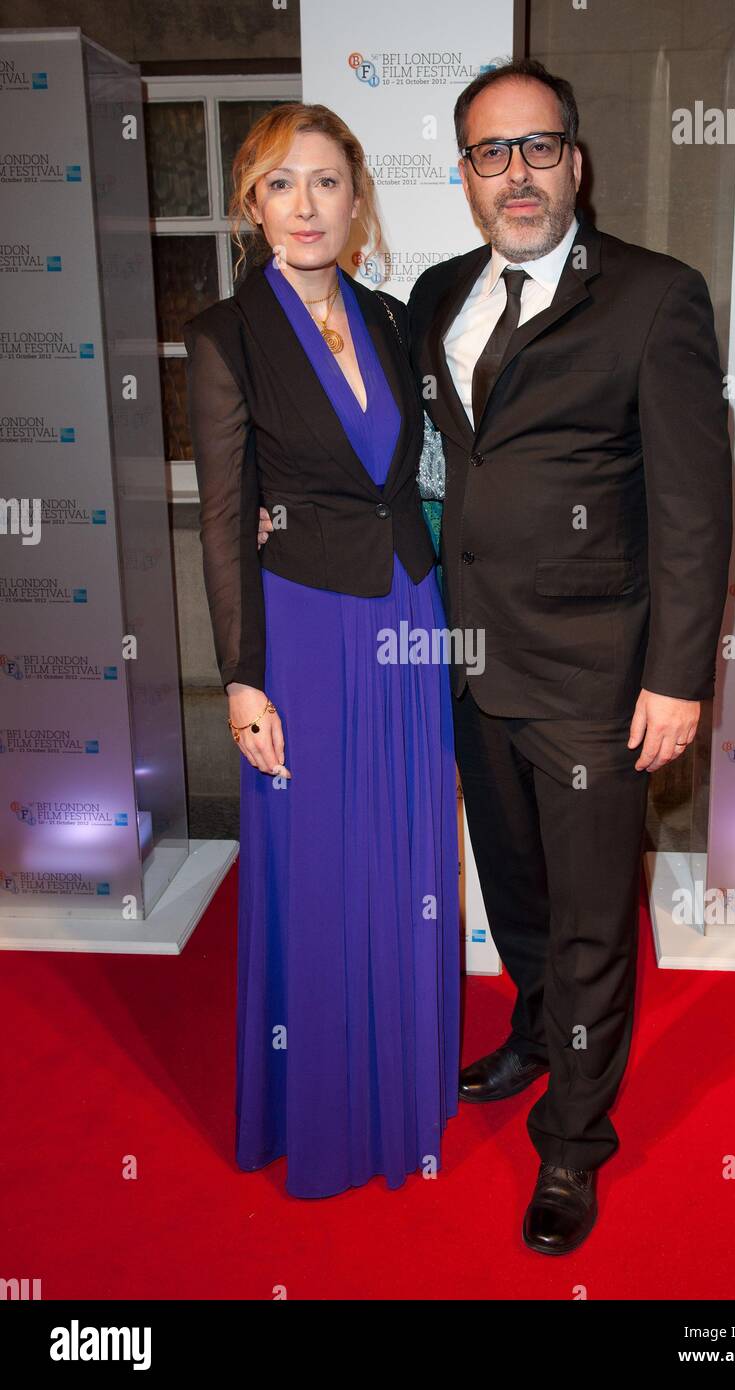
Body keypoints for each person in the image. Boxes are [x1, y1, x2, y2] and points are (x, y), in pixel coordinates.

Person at [258, 62, 733, 1252]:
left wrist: (675, 676)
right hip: (458, 665)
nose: (514, 174)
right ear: (464, 175)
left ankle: (575, 1142)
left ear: (575, 159)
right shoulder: (432, 294)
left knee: (587, 920)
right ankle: (535, 1033)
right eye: (488, 153)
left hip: (592, 680)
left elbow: (691, 506)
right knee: (516, 890)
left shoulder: (652, 297)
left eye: (536, 148)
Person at [184, 103, 460, 1200]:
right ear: (253, 206)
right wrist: (242, 680)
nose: (306, 207)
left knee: (404, 856)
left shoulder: (391, 318)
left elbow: (423, 470)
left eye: (327, 183)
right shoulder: (224, 335)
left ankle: (406, 1077)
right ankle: (330, 1106)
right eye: (280, 185)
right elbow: (221, 518)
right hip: (300, 632)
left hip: (406, 614)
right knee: (320, 860)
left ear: (358, 198)